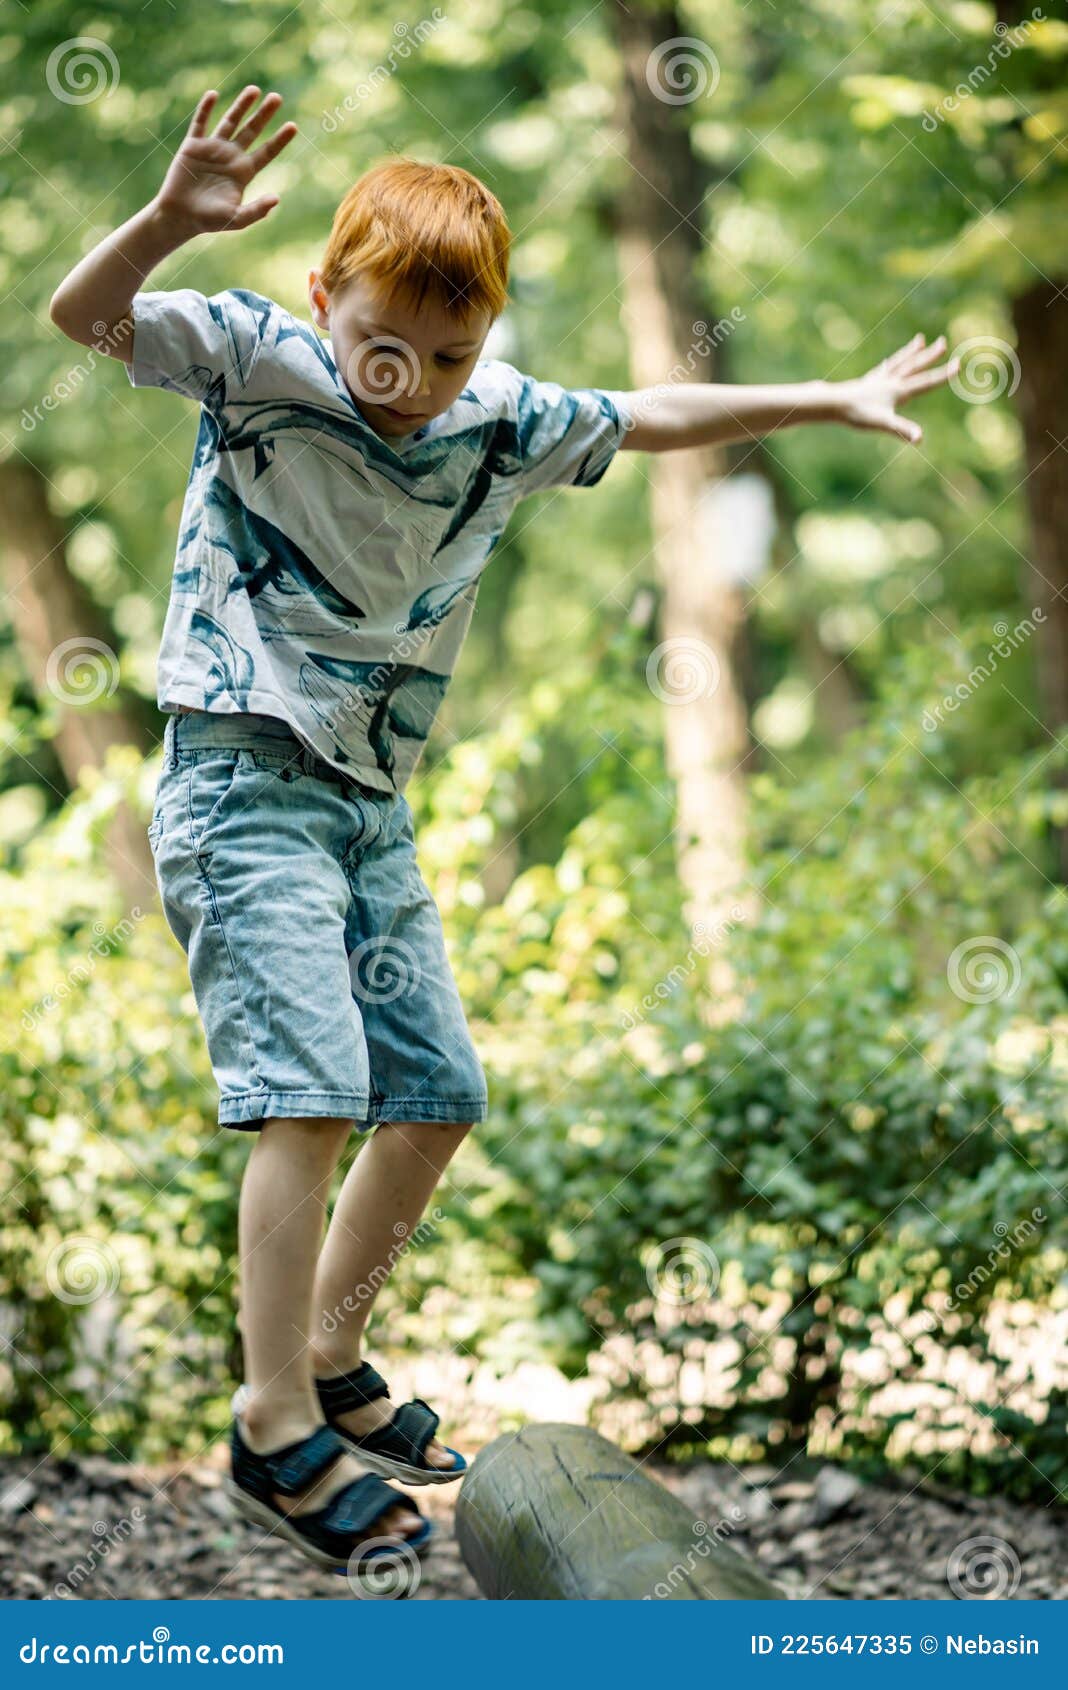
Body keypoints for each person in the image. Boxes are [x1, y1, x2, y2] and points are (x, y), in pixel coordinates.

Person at [48, 85, 960, 1580]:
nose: (415, 384)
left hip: (368, 808)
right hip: (241, 780)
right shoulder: (256, 359)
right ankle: (273, 1418)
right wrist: (162, 221)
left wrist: (826, 395)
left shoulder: (494, 418)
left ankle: (336, 1354)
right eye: (386, 347)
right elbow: (86, 318)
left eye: (455, 356)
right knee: (312, 1092)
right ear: (324, 299)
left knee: (437, 1094)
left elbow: (648, 414)